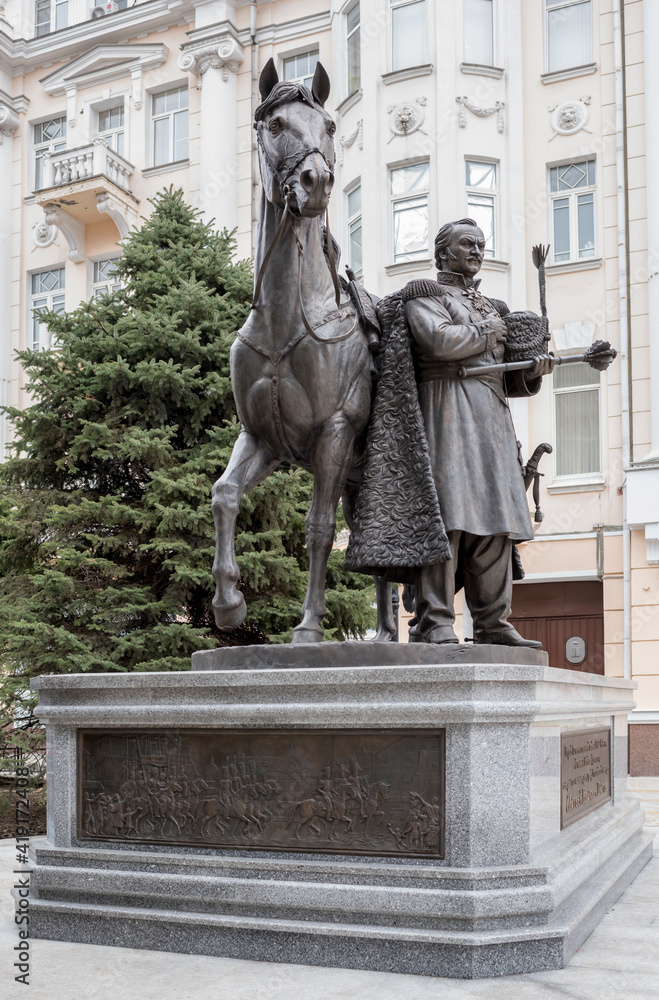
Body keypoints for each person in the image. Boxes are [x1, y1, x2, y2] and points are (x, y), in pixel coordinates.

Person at [402, 218, 553, 646]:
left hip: (492, 419)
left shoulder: (491, 305)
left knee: (495, 521)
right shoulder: (425, 294)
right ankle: (436, 620)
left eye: (482, 245)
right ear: (442, 252)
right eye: (467, 243)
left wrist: (532, 370)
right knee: (448, 515)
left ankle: (491, 621)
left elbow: (509, 377)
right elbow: (438, 341)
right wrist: (489, 331)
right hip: (447, 410)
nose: (477, 251)